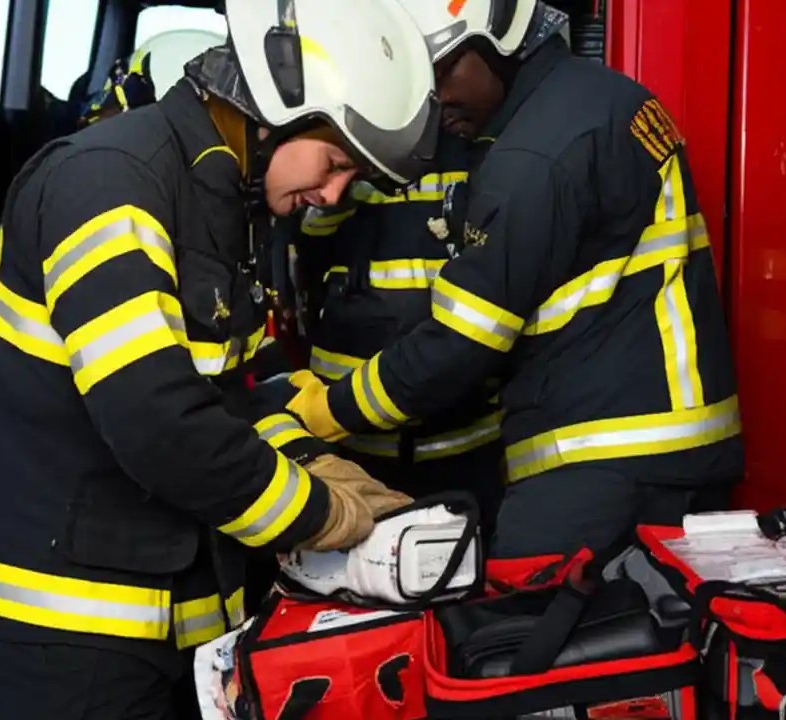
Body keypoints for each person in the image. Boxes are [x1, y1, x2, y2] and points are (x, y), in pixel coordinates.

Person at [0, 2, 436, 718]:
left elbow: (243, 380)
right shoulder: (111, 182)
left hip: (143, 595)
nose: (332, 194)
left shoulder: (223, 198)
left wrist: (314, 459)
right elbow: (154, 418)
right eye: (337, 162)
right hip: (63, 607)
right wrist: (317, 513)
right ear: (279, 105)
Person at [281, 0, 745, 586]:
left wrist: (330, 410)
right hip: (661, 449)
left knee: (514, 631)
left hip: (607, 460)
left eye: (439, 72)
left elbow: (460, 342)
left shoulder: (532, 155)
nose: (432, 98)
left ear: (494, 40)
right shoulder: (596, 99)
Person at [283, 133, 506, 533]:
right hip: (348, 449)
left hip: (465, 451)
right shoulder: (337, 163)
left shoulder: (484, 157)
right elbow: (302, 249)